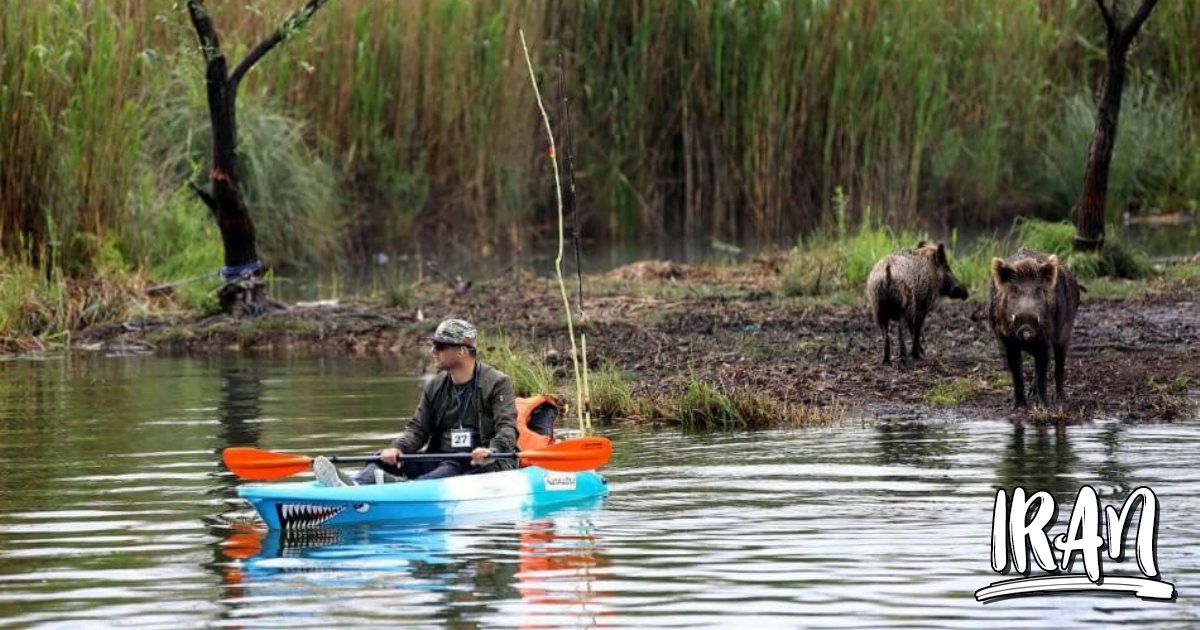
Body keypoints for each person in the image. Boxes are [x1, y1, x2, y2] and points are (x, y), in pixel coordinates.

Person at [313, 318, 519, 486]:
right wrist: (397, 449)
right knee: (381, 459)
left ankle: (395, 488)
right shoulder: (435, 386)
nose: (433, 352)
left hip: (481, 463)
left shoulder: (497, 383)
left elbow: (507, 430)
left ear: (461, 351)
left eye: (439, 346)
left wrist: (492, 451)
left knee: (452, 466)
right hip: (440, 458)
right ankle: (354, 484)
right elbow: (417, 430)